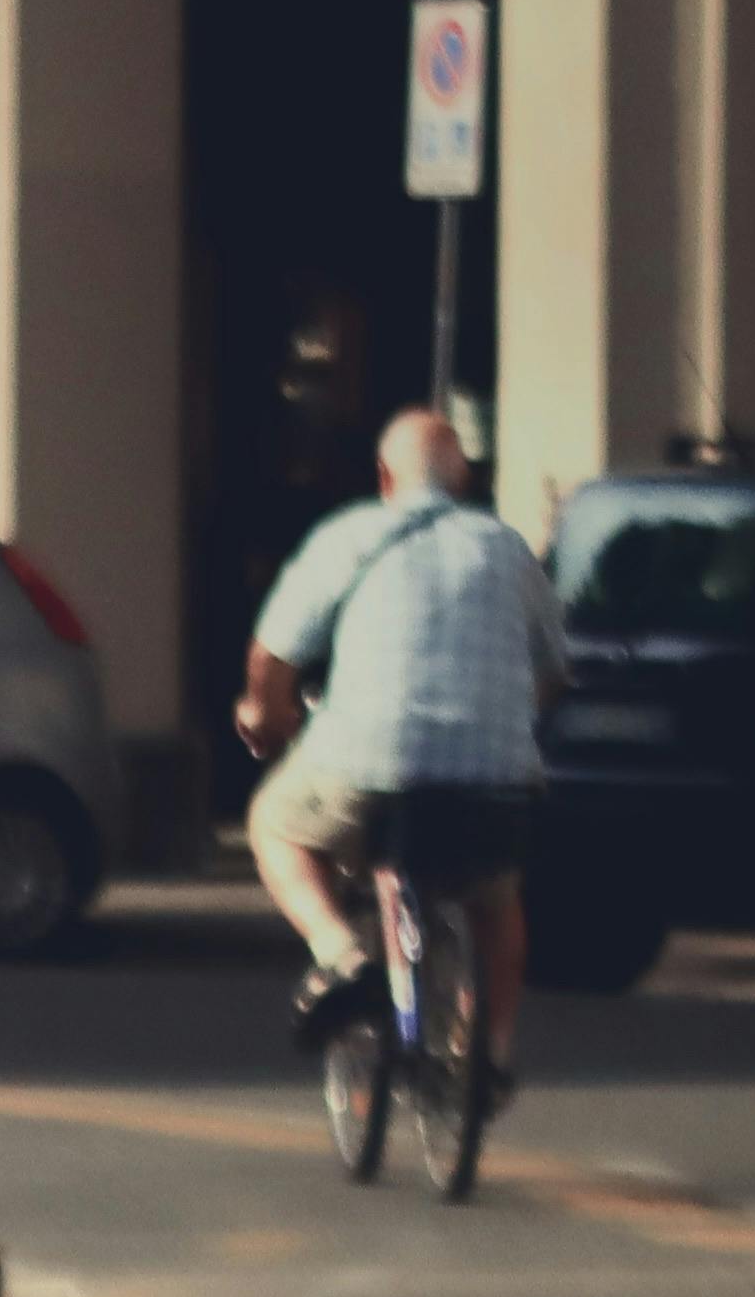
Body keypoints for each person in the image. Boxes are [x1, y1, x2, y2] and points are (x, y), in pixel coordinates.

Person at [236, 406, 565, 1065]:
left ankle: (340, 953)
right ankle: (490, 1055)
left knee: (274, 824)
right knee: (497, 901)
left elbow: (273, 657)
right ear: (464, 480)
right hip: (496, 782)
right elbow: (554, 666)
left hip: (371, 768)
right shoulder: (508, 548)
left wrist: (266, 721)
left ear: (385, 477)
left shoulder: (353, 536)